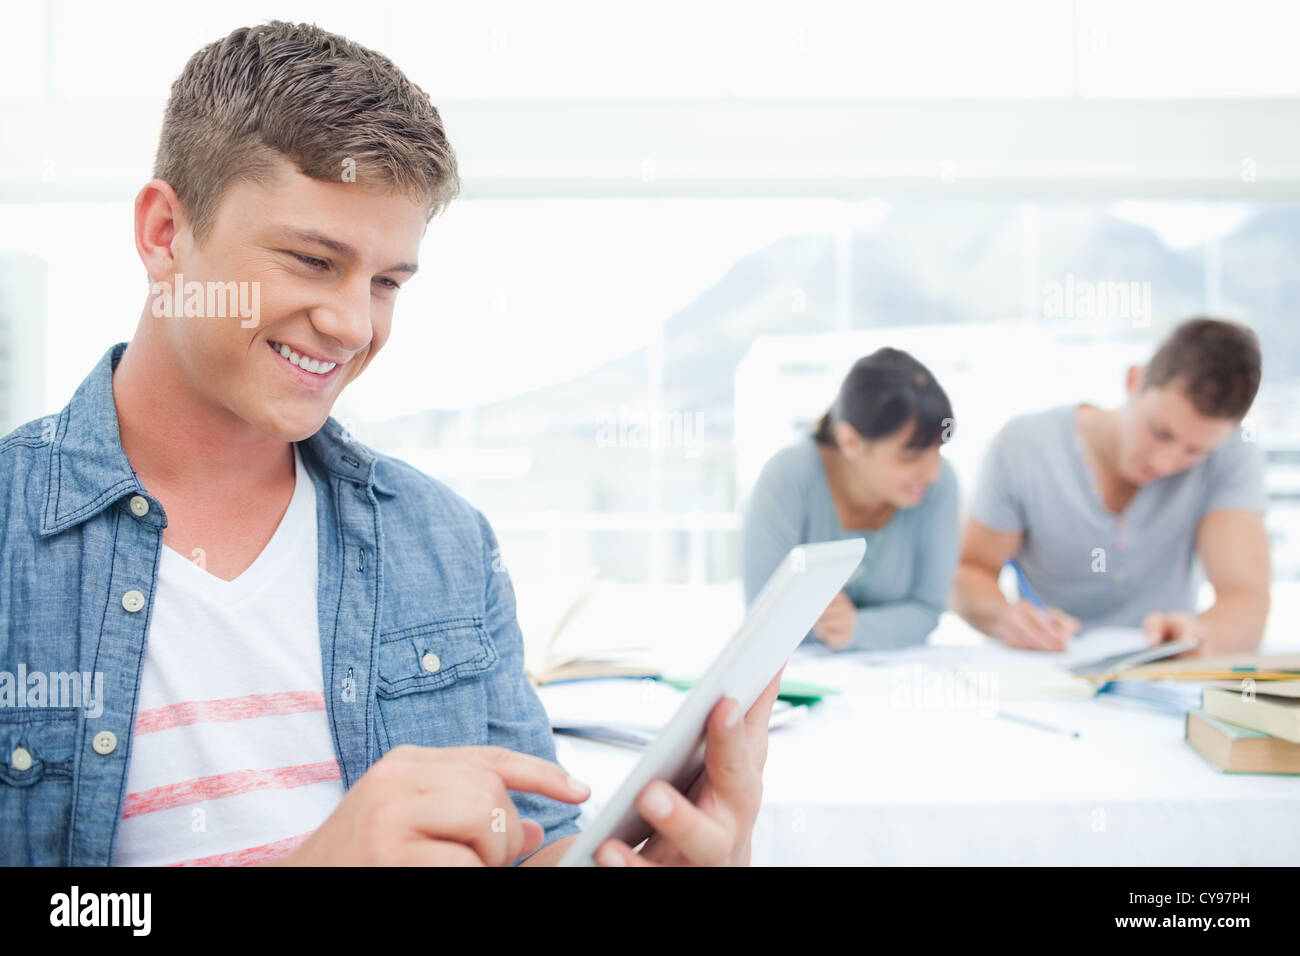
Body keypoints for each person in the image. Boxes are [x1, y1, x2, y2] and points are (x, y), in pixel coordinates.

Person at [0, 21, 780, 868]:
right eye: (310, 260)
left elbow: (527, 844)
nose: (351, 325)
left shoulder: (442, 541)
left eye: (386, 283)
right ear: (164, 235)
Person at [952, 317, 1270, 656]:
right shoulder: (1022, 447)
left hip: (1157, 680)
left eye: (1194, 451)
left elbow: (1245, 598)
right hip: (1047, 668)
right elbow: (969, 571)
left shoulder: (1231, 455)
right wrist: (1004, 618)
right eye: (1160, 432)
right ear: (1134, 380)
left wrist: (1201, 636)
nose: (1164, 463)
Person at [741, 348, 961, 652]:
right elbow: (762, 620)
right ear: (850, 442)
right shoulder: (788, 477)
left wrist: (857, 629)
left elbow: (928, 610)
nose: (932, 473)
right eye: (910, 456)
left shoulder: (939, 486)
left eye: (938, 449)